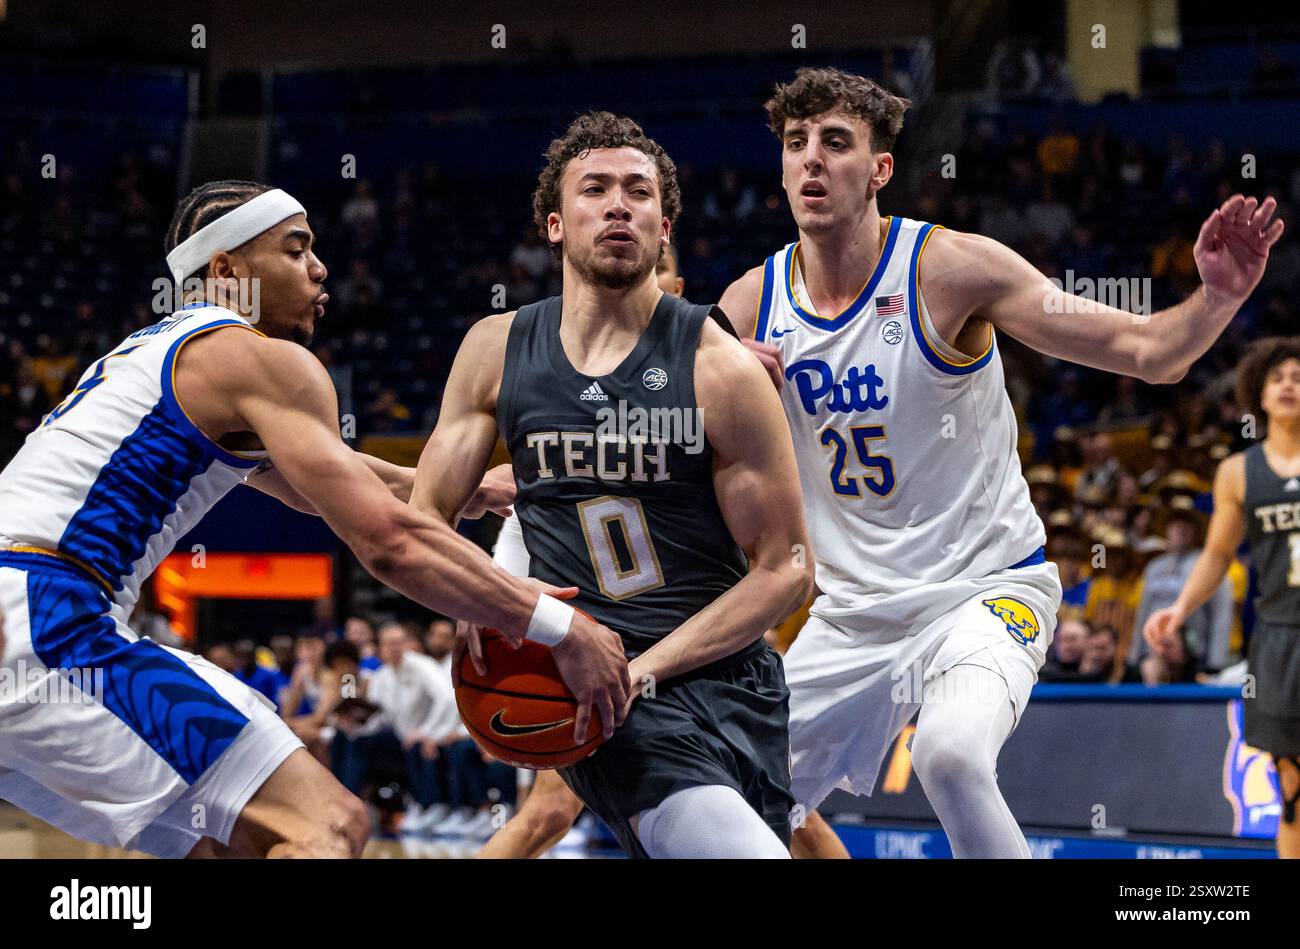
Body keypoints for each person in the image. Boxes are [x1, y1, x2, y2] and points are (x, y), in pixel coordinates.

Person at [712, 67, 1280, 858]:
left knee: (949, 754)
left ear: (879, 170)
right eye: (795, 143)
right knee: (725, 797)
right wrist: (728, 395)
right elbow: (684, 454)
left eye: (835, 143)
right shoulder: (747, 304)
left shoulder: (951, 271)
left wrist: (1215, 298)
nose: (811, 160)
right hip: (852, 613)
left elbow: (1148, 353)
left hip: (984, 589)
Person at [0, 180, 629, 859]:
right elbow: (388, 542)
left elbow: (316, 481)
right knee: (328, 825)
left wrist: (464, 485)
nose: (320, 268)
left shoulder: (160, 353)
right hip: (47, 621)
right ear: (226, 271)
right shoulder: (258, 359)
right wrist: (555, 623)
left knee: (226, 840)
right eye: (296, 249)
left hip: (25, 620)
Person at [410, 112, 814, 858]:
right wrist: (479, 594)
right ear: (557, 224)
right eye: (596, 189)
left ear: (665, 227)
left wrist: (645, 670)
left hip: (728, 682)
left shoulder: (720, 367)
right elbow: (422, 518)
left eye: (639, 191)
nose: (619, 203)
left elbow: (787, 568)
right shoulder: (495, 350)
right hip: (604, 697)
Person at [1145, 337, 1300, 858]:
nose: (1288, 385)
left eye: (1298, 376)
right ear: (1258, 393)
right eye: (1278, 377)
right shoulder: (1237, 471)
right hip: (1279, 637)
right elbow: (1216, 556)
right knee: (1293, 787)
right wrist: (1179, 608)